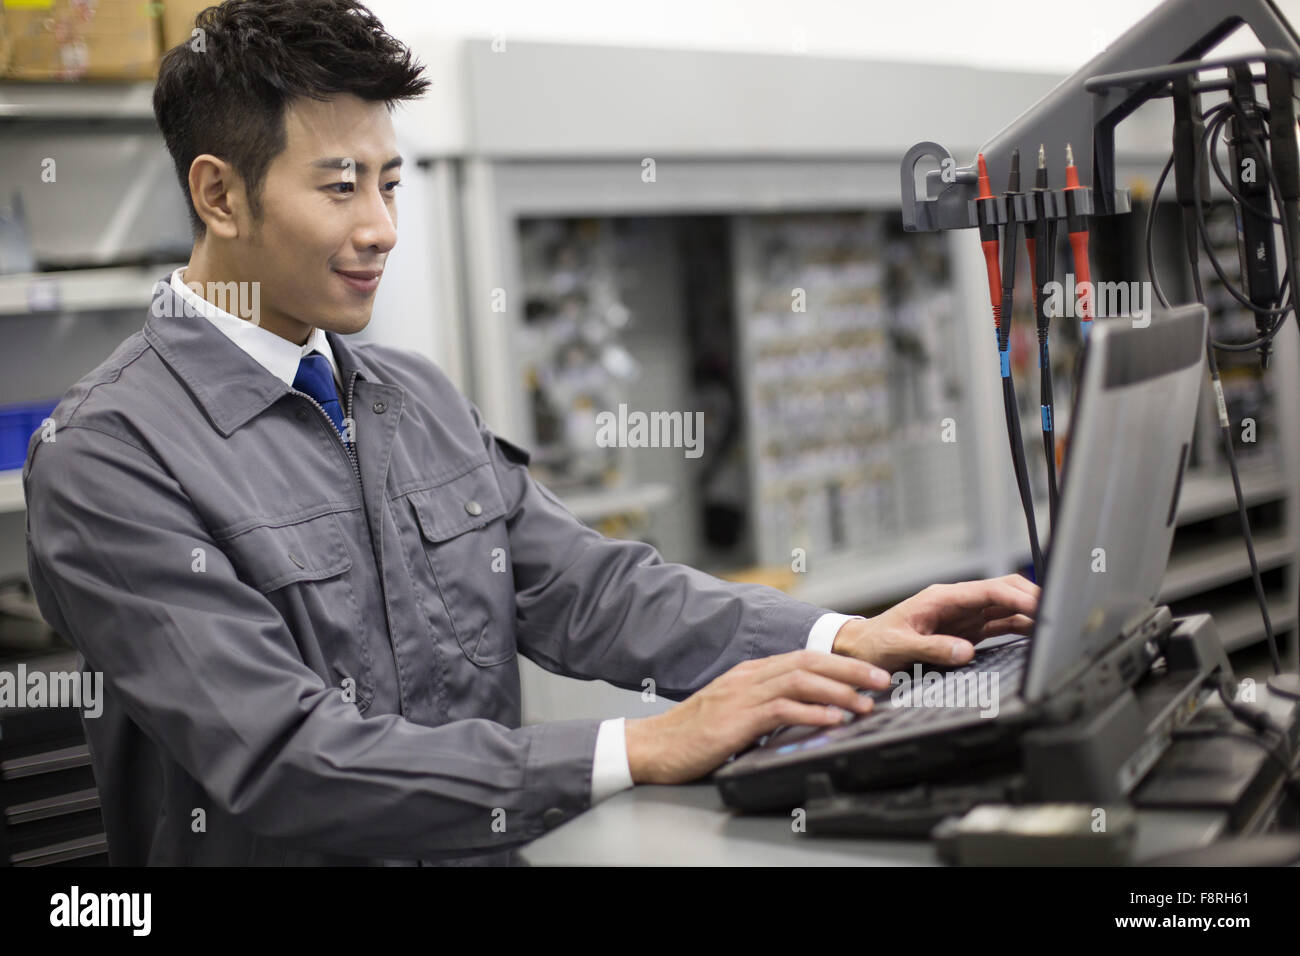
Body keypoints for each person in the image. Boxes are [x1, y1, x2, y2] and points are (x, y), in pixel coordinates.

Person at [23, 0, 1038, 865]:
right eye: (341, 186)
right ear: (218, 193)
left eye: (390, 182)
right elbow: (284, 754)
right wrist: (638, 746)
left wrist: (843, 637)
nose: (380, 225)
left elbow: (587, 587)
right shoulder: (109, 460)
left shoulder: (407, 395)